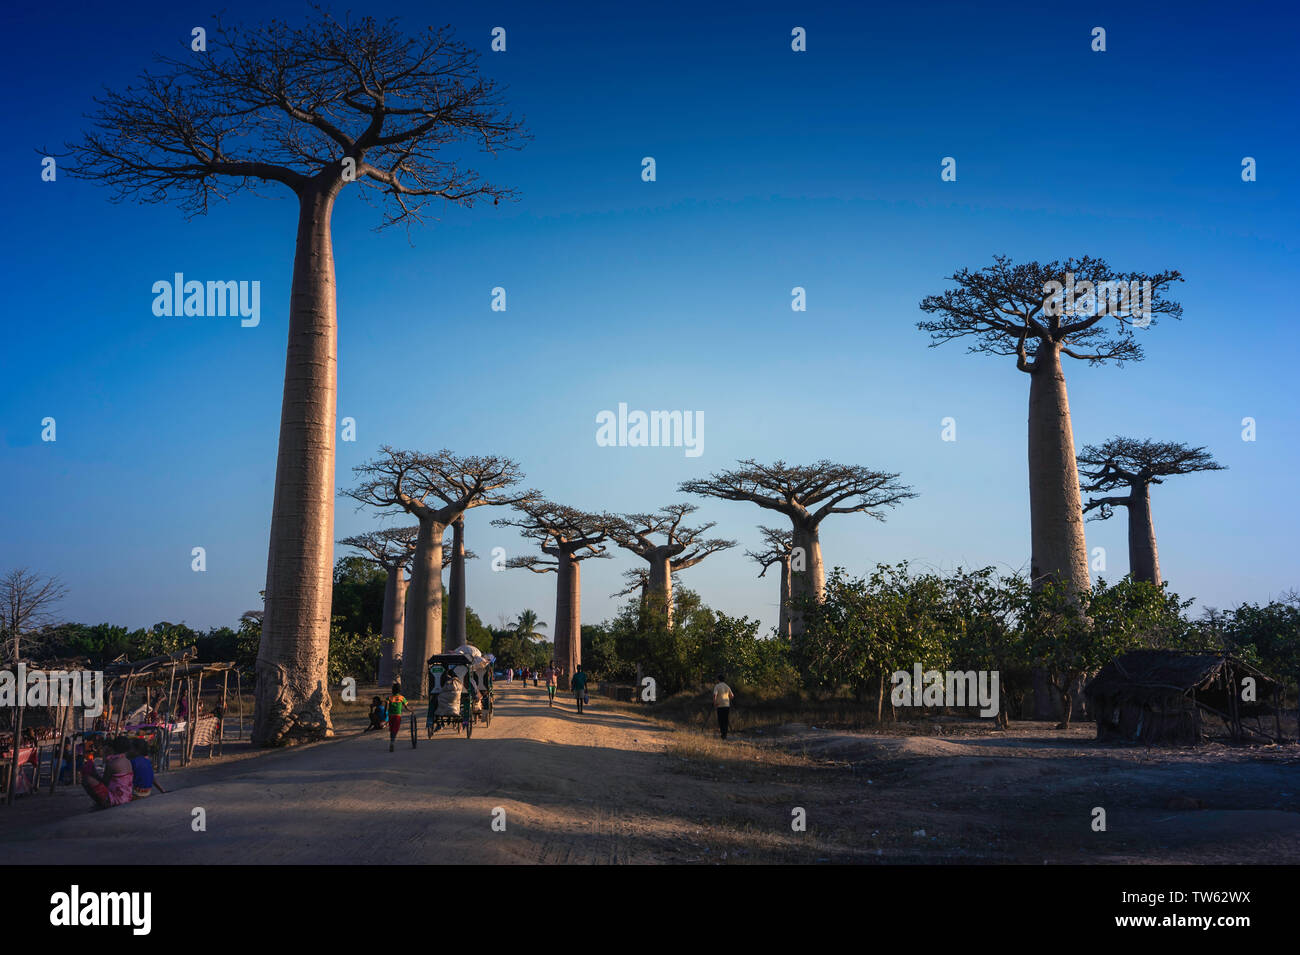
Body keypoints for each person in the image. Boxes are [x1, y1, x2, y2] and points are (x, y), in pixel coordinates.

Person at [385, 684, 407, 752]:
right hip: (397, 715)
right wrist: (411, 710)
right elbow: (406, 706)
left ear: (392, 690)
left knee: (391, 729)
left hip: (390, 715)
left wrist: (385, 713)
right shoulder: (402, 698)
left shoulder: (389, 698)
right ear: (399, 690)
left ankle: (392, 740)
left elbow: (386, 707)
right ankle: (393, 741)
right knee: (395, 729)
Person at [712, 674, 734, 740]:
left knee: (721, 720)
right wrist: (727, 699)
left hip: (720, 705)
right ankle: (725, 735)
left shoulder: (717, 686)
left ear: (718, 679)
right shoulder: (727, 686)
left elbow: (714, 695)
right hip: (727, 705)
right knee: (726, 720)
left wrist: (714, 702)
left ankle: (723, 735)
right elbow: (732, 696)